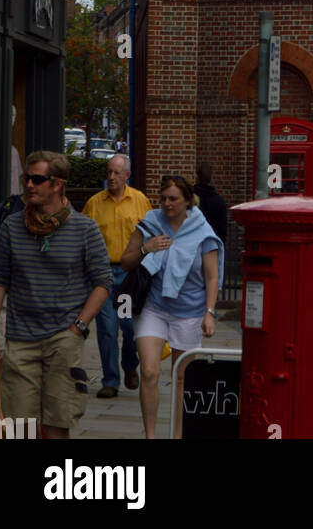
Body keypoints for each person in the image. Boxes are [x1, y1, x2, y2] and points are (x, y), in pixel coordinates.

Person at [0, 151, 111, 439]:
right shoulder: (11, 226)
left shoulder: (85, 228)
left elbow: (103, 283)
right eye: (27, 178)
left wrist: (78, 327)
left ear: (57, 184)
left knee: (59, 421)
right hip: (21, 338)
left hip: (63, 337)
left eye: (37, 179)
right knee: (17, 428)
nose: (29, 185)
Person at [120, 174, 223, 439]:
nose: (167, 204)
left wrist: (209, 313)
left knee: (182, 378)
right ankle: (151, 435)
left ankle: (178, 434)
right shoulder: (151, 223)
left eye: (173, 199)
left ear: (187, 200)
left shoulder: (202, 231)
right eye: (163, 198)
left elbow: (212, 277)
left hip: (190, 310)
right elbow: (126, 262)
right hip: (154, 306)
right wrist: (147, 248)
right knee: (150, 370)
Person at [81, 155, 151, 398]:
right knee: (107, 329)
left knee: (129, 327)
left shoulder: (139, 201)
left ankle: (130, 365)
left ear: (126, 176)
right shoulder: (95, 203)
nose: (111, 177)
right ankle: (110, 380)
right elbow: (84, 238)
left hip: (128, 276)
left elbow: (151, 233)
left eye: (116, 173)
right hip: (103, 275)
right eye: (109, 172)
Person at [194, 162, 227, 243]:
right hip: (212, 241)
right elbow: (222, 228)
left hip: (194, 241)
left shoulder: (190, 198)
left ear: (197, 177)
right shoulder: (219, 200)